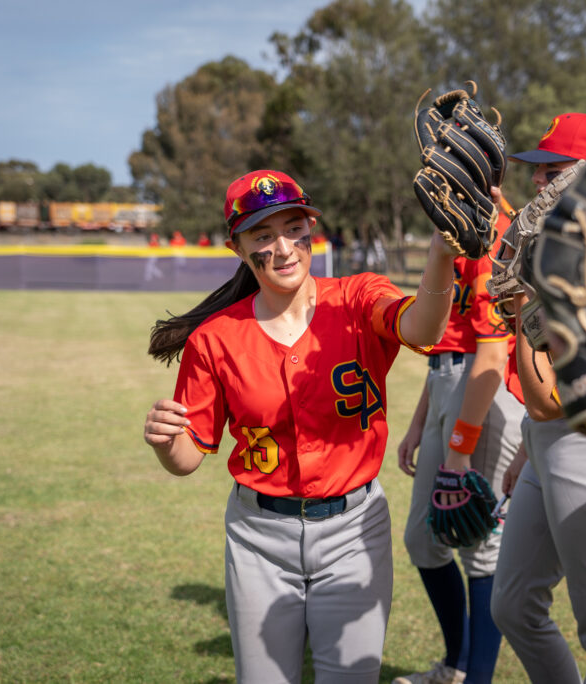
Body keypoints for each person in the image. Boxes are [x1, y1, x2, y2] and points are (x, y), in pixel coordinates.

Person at [142, 169, 459, 683]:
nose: (284, 247)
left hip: (355, 531)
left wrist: (442, 255)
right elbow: (187, 459)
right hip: (257, 536)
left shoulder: (357, 297)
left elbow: (422, 325)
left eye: (294, 227)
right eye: (263, 235)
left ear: (313, 228)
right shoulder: (215, 338)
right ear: (237, 247)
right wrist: (164, 442)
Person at [488, 113, 586, 684]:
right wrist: (529, 445)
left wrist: (524, 300)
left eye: (553, 170)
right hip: (548, 437)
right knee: (514, 604)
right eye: (537, 170)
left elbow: (553, 396)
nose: (538, 183)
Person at [393, 208, 522, 684]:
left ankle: (476, 676)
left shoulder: (493, 230)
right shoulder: (453, 225)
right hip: (445, 379)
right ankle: (458, 664)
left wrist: (459, 448)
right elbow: (446, 342)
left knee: (480, 550)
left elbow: (491, 351)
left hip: (481, 392)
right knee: (423, 540)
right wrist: (419, 424)